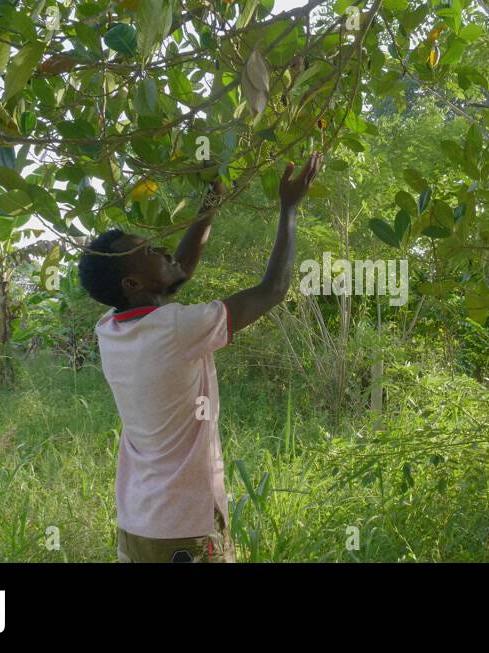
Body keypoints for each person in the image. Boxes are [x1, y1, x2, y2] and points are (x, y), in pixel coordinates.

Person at [77, 152, 323, 562]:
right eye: (151, 251)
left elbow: (178, 271)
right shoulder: (176, 329)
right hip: (183, 532)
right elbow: (272, 290)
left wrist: (213, 199)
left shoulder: (112, 328)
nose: (164, 250)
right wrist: (289, 209)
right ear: (133, 282)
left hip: (138, 525)